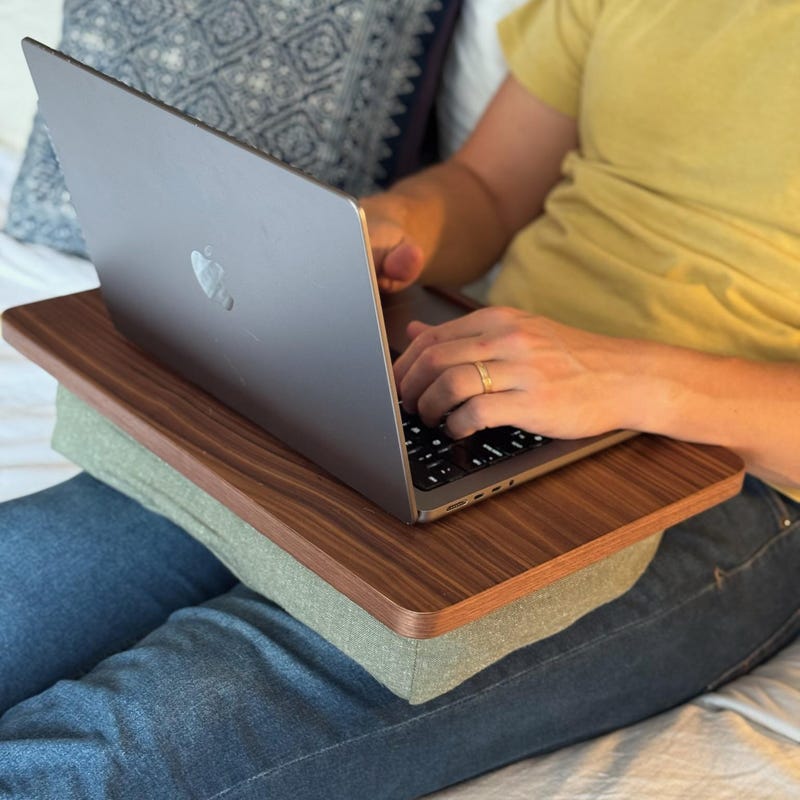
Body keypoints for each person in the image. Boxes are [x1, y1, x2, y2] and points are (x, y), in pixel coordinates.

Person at [1, 1, 798, 797]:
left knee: (123, 743)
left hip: (727, 471)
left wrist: (627, 380)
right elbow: (487, 185)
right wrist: (378, 231)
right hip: (468, 385)